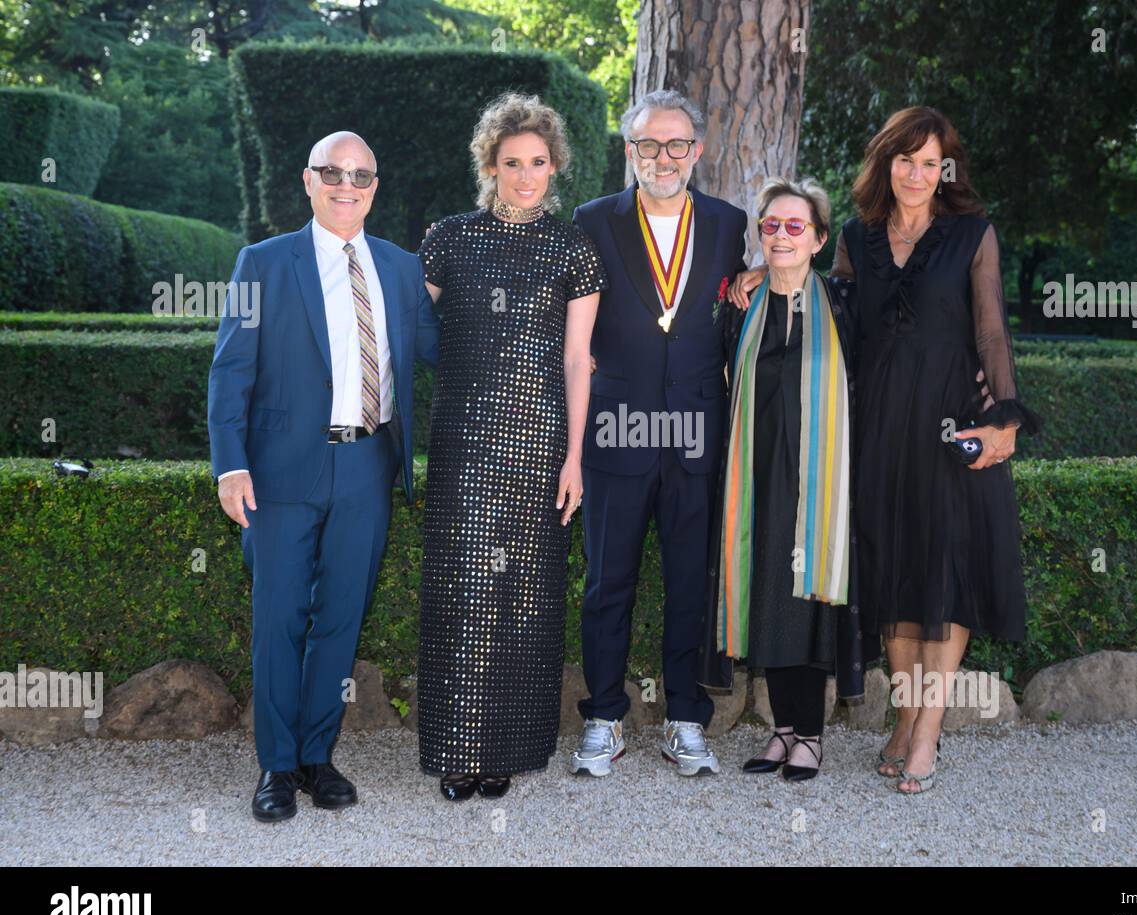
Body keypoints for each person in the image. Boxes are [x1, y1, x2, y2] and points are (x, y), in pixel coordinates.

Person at [732, 106, 1041, 794]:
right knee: (893, 580)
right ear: (886, 163)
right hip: (873, 427)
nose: (917, 174)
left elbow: (992, 332)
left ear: (946, 170)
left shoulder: (973, 235)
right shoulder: (856, 236)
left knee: (945, 576)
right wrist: (763, 270)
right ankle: (904, 718)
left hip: (951, 423)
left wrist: (1005, 418)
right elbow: (829, 307)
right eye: (906, 160)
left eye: (931, 163)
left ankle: (927, 731)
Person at [208, 131, 440, 822]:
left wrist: (550, 338)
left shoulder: (402, 268)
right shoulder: (262, 262)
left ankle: (317, 756)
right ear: (308, 180)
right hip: (279, 471)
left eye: (361, 175)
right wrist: (230, 465)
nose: (347, 185)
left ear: (375, 187)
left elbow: (448, 349)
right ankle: (277, 766)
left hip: (369, 466)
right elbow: (230, 370)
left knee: (341, 618)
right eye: (333, 172)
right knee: (279, 618)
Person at [417, 93, 605, 801]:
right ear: (489, 165)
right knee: (460, 590)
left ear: (554, 166)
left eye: (538, 162)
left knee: (525, 597)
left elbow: (578, 360)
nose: (526, 175)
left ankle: (504, 750)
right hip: (462, 442)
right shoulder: (449, 238)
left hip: (539, 443)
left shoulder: (573, 249)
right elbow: (402, 326)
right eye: (512, 162)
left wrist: (575, 458)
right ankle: (456, 749)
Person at [568, 90, 747, 778]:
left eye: (676, 145)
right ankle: (604, 717)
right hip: (616, 427)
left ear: (696, 151)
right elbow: (573, 325)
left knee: (690, 584)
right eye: (649, 144)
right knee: (606, 582)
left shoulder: (729, 223)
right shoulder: (593, 220)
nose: (663, 157)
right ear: (630, 151)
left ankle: (685, 720)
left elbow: (738, 300)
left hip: (698, 430)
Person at [713, 177, 870, 782]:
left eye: (795, 226)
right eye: (771, 225)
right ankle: (782, 731)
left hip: (822, 483)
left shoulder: (845, 306)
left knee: (810, 602)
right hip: (755, 481)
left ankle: (810, 735)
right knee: (770, 597)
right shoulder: (740, 307)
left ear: (819, 239)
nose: (781, 235)